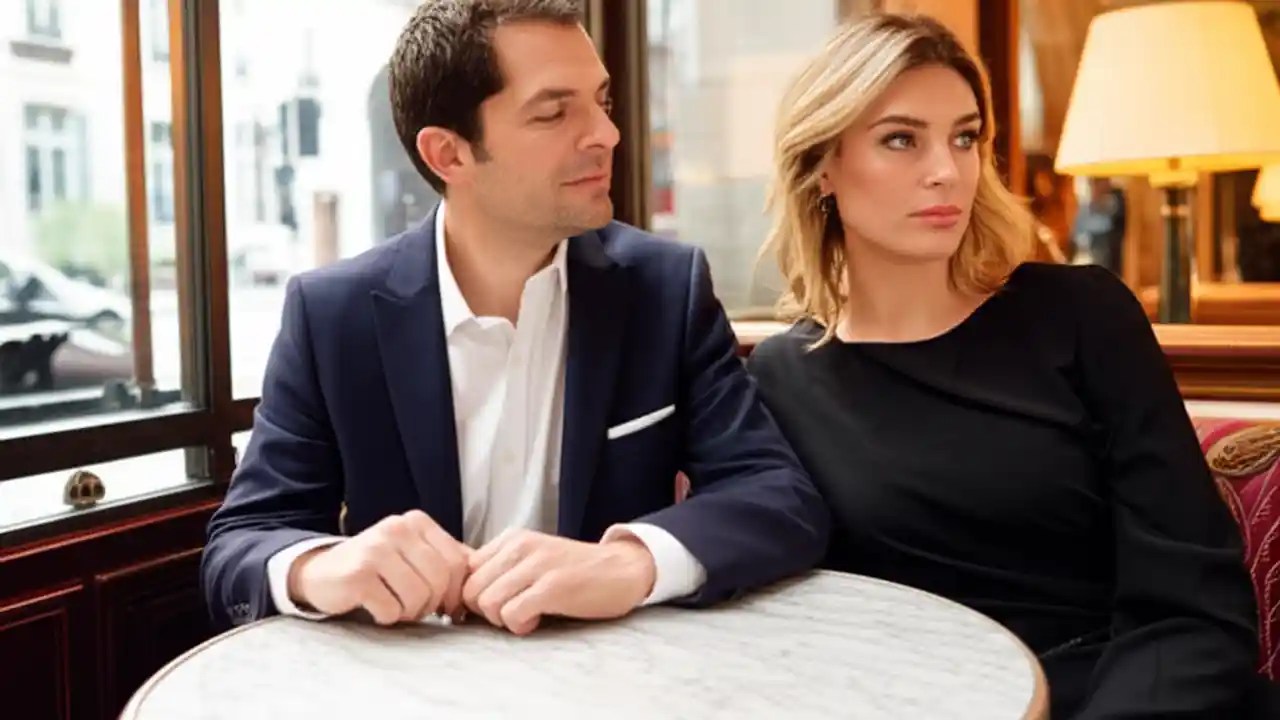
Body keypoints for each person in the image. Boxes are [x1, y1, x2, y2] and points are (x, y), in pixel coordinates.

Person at [201, 0, 827, 637]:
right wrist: (322, 567)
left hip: (616, 676)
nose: (606, 135)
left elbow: (776, 494)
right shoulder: (332, 314)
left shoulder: (665, 289)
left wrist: (628, 561)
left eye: (601, 102)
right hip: (405, 685)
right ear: (449, 155)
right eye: (555, 112)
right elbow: (239, 545)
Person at [746, 14, 1261, 719]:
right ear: (823, 166)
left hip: (1131, 698)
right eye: (902, 139)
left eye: (965, 137)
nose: (945, 170)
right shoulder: (781, 376)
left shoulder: (1081, 316)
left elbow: (1194, 608)